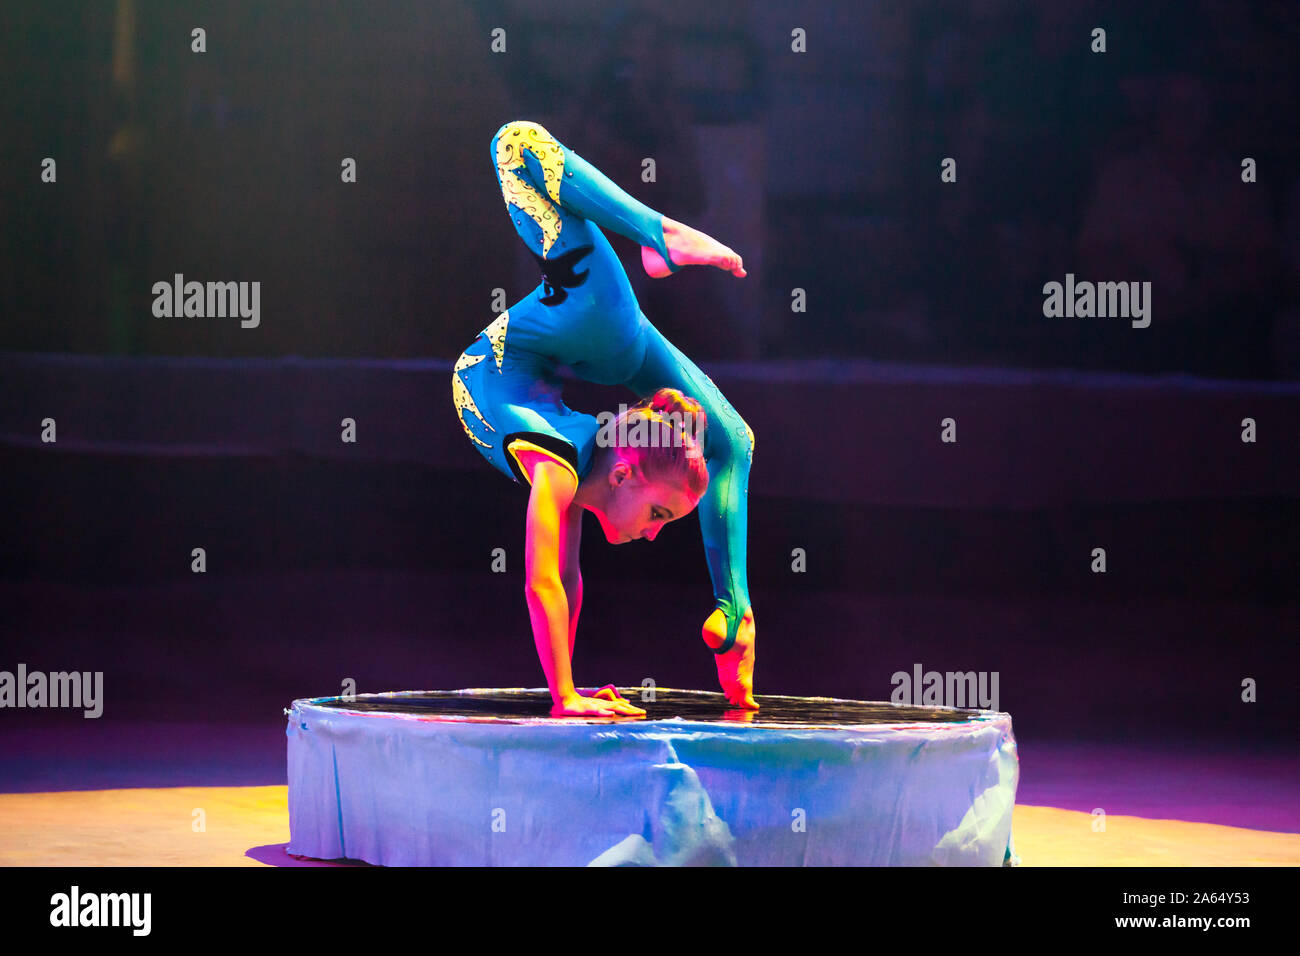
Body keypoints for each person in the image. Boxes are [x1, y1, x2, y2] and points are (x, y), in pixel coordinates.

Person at [452, 120, 757, 717]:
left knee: (734, 442)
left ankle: (737, 612)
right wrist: (565, 697)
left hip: (585, 340)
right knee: (515, 144)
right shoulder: (560, 471)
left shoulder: (576, 469)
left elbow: (565, 582)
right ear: (623, 476)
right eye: (661, 514)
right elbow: (540, 585)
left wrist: (571, 692)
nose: (655, 532)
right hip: (583, 326)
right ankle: (657, 233)